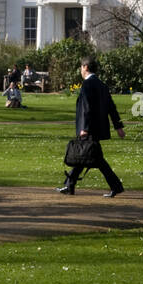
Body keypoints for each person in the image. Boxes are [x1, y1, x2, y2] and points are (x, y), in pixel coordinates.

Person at [57, 56, 126, 197]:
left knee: (93, 158)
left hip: (89, 129)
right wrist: (118, 126)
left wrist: (85, 128)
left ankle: (116, 186)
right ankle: (69, 185)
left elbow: (87, 108)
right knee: (84, 156)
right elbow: (111, 107)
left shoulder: (87, 85)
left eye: (81, 67)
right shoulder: (102, 84)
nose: (81, 70)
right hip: (98, 127)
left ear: (86, 67)